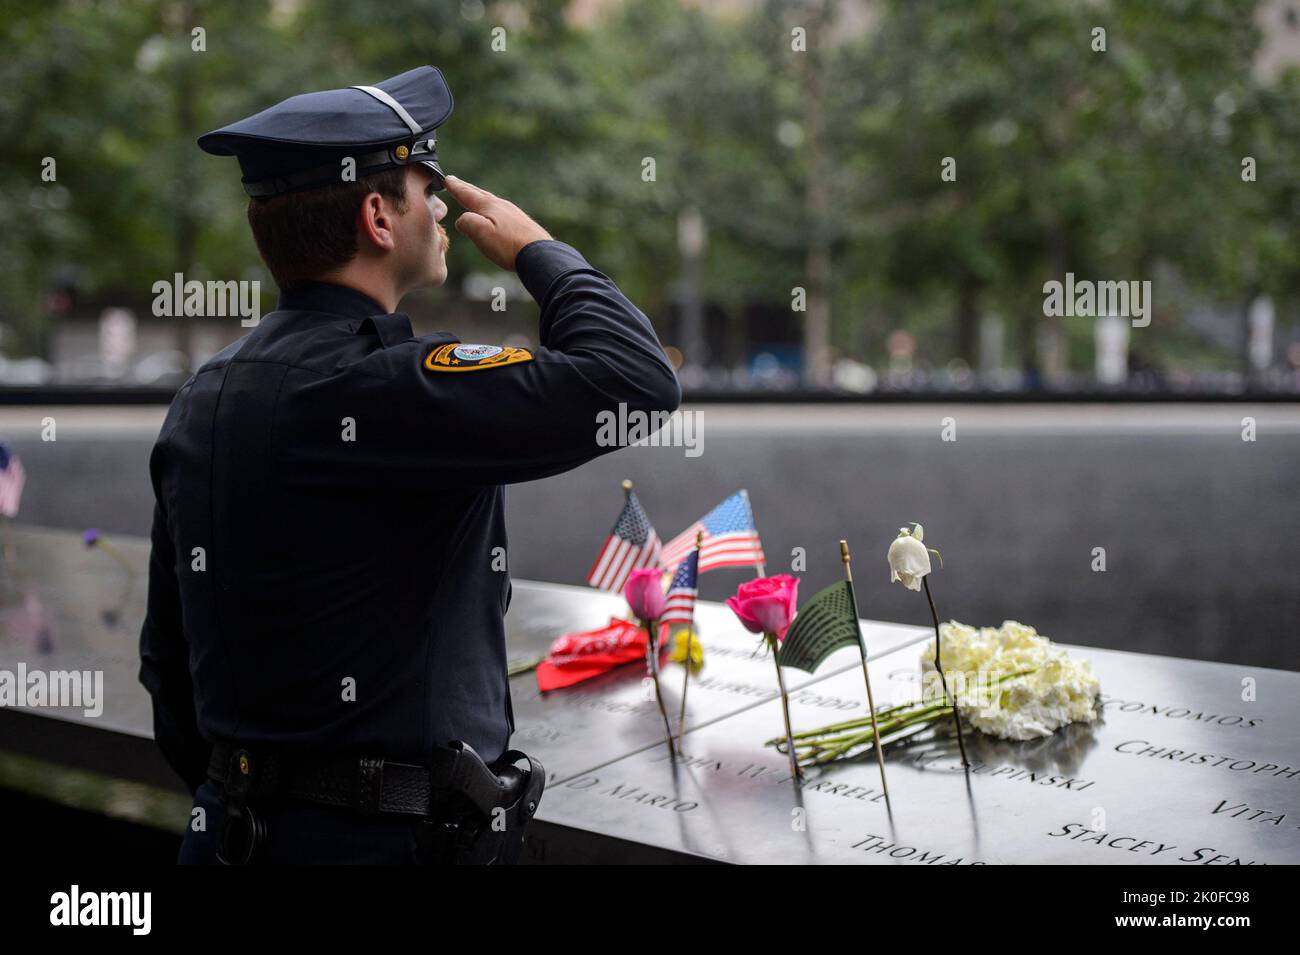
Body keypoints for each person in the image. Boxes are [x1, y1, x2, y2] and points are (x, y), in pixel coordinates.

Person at [138, 65, 681, 864]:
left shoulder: (204, 396)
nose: (442, 207)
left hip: (232, 839)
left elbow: (169, 669)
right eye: (427, 185)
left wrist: (265, 791)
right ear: (377, 217)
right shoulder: (396, 386)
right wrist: (538, 249)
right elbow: (635, 379)